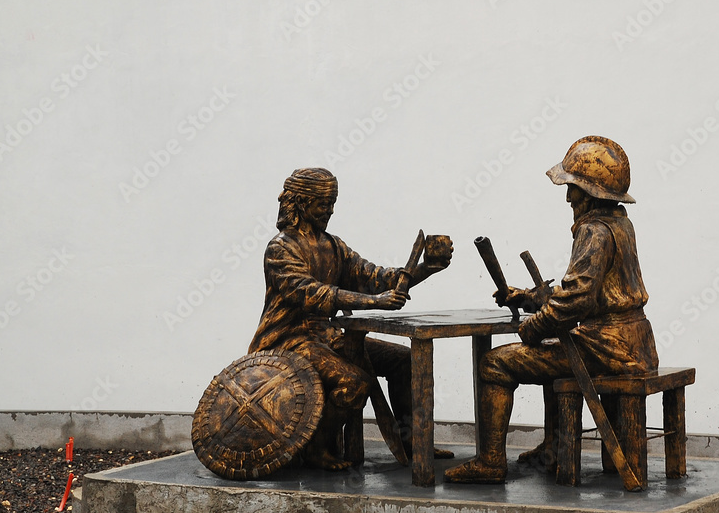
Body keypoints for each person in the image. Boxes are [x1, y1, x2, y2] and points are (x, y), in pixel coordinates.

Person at [444, 136, 658, 484]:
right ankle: (553, 448)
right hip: (635, 343)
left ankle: (490, 461)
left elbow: (576, 302)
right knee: (551, 354)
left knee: (494, 363)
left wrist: (533, 328)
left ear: (590, 193)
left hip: (607, 349)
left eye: (573, 188)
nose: (568, 196)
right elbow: (589, 292)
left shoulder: (594, 230)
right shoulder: (621, 223)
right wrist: (529, 298)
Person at [249, 167, 452, 470]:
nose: (330, 211)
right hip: (289, 340)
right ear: (302, 204)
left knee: (404, 360)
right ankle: (315, 448)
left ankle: (412, 441)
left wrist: (426, 269)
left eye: (333, 203)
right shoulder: (281, 248)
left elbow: (376, 278)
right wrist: (374, 303)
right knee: (354, 384)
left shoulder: (333, 245)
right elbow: (310, 293)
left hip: (326, 337)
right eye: (323, 204)